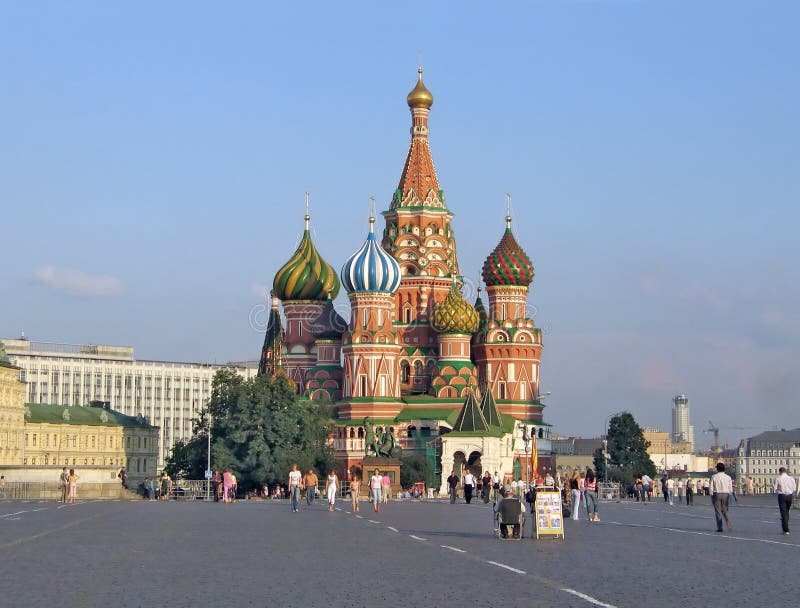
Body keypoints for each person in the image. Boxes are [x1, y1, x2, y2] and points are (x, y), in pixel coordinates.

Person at [710, 463, 733, 532]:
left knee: (718, 511)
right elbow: (730, 488)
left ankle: (720, 527)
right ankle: (727, 519)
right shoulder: (728, 477)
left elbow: (711, 487)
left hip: (717, 494)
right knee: (724, 509)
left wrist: (711, 494)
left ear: (717, 469)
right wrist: (730, 494)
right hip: (726, 494)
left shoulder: (714, 476)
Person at [774, 467, 797, 535]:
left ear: (780, 472)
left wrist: (779, 490)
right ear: (785, 471)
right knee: (787, 510)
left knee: (783, 512)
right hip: (790, 496)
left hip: (782, 496)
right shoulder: (791, 478)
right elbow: (794, 488)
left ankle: (786, 529)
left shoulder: (778, 478)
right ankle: (786, 523)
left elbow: (775, 488)